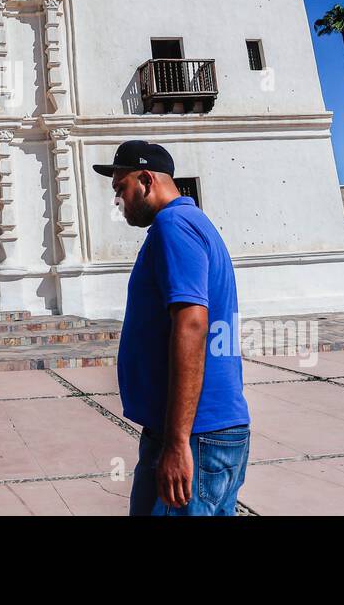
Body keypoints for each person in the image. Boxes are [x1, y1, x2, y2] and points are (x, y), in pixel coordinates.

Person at [93, 140, 250, 516]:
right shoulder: (190, 222)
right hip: (195, 429)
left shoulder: (173, 225)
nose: (118, 200)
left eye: (121, 188)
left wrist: (178, 442)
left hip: (195, 433)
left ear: (146, 180)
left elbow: (193, 323)